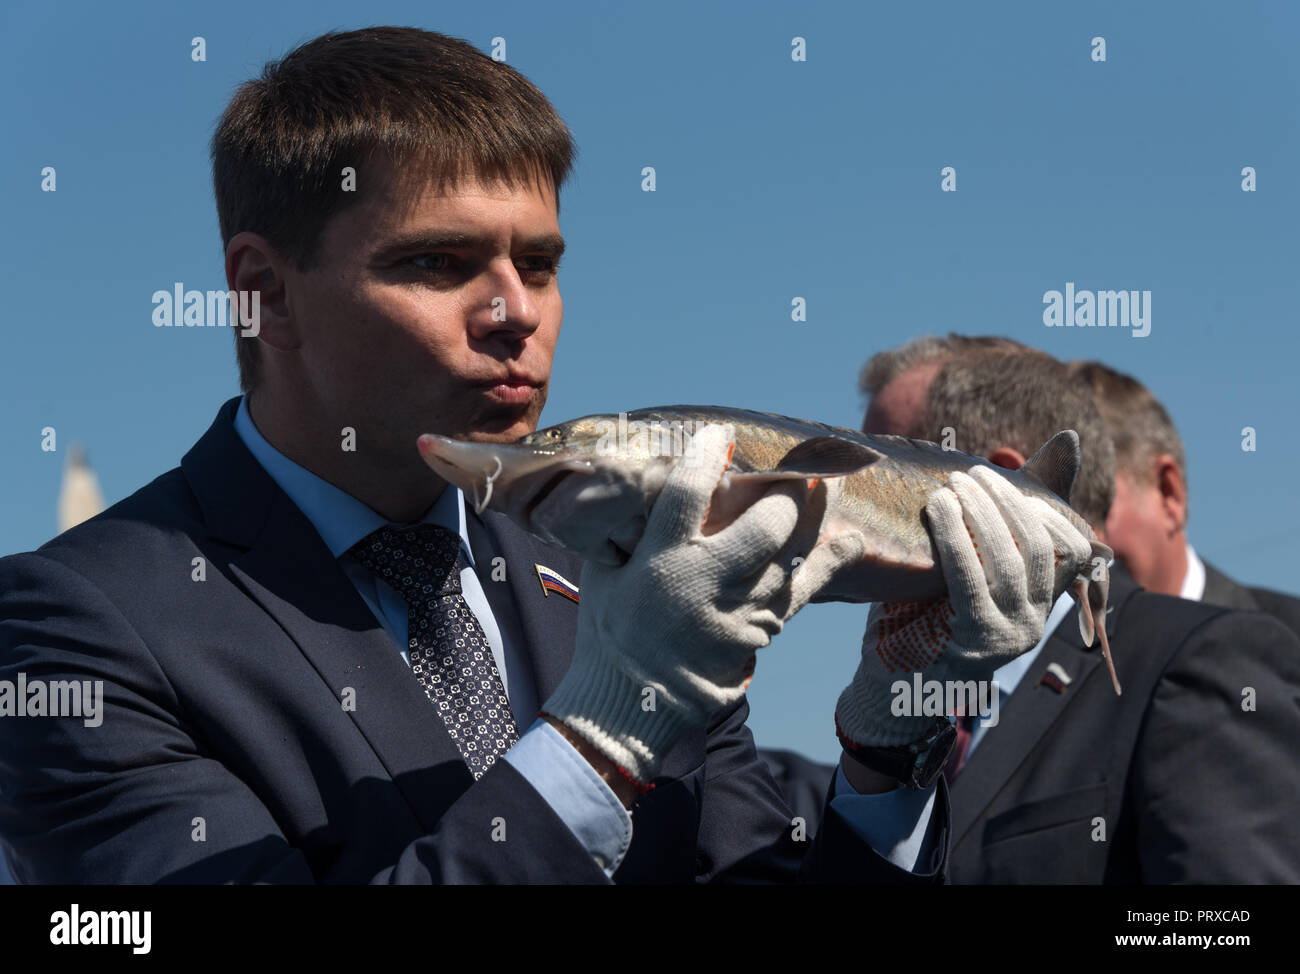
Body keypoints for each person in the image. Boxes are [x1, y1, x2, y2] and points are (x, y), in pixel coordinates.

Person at [0, 29, 1092, 884]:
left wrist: (887, 737)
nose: (515, 312)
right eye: (438, 261)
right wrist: (605, 731)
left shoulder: (618, 565)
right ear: (265, 290)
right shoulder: (77, 626)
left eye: (541, 260)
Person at [862, 337, 1300, 882]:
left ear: (999, 486)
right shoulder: (908, 709)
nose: (852, 505)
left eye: (879, 480)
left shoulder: (1209, 658)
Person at [1068, 360, 1300, 635]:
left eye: (1093, 505)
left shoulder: (1288, 640)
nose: (1073, 540)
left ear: (1169, 493)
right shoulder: (1036, 664)